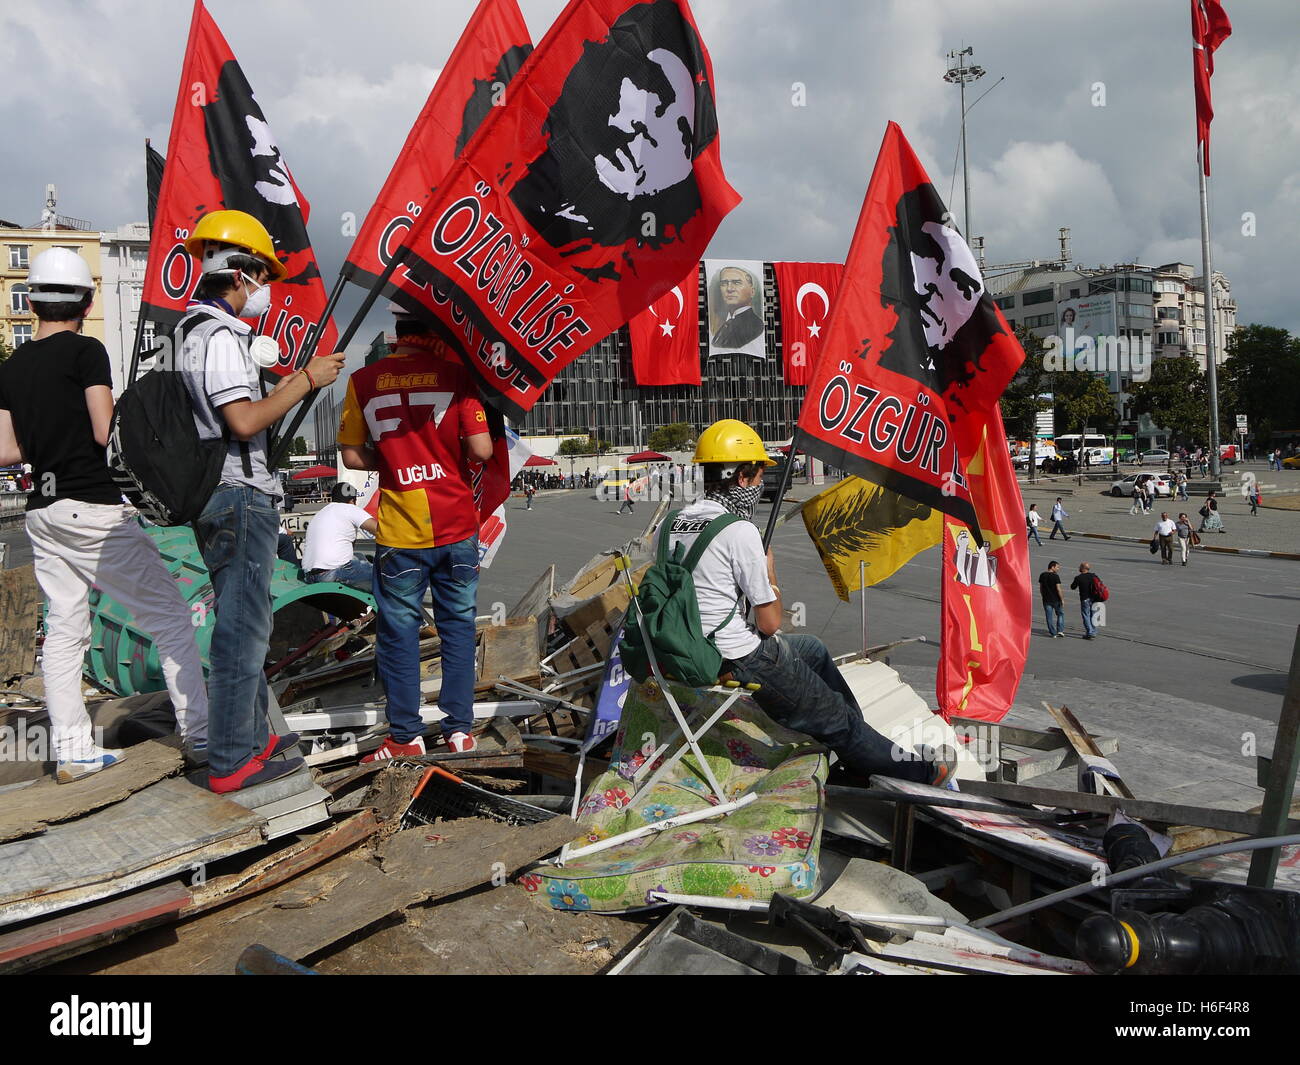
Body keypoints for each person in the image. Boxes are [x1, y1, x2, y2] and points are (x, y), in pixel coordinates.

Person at [0, 249, 209, 783]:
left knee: (67, 629)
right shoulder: (86, 351)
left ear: (32, 302)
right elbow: (104, 431)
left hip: (43, 511)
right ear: (87, 301)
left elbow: (6, 449)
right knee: (170, 617)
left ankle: (74, 752)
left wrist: (47, 437)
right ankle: (203, 737)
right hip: (92, 506)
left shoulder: (12, 366)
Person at [666, 419, 957, 785]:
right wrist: (769, 573)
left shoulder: (674, 522)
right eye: (757, 477)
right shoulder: (739, 531)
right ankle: (921, 772)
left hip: (691, 648)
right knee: (834, 716)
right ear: (741, 476)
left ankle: (857, 748)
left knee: (813, 649)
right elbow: (769, 624)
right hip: (738, 657)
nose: (759, 485)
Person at [178, 210, 344, 792]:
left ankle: (252, 737)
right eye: (263, 275)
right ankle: (231, 762)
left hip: (219, 495)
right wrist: (307, 380)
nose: (266, 290)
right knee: (243, 631)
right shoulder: (219, 336)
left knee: (247, 619)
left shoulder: (191, 331)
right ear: (240, 273)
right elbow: (243, 420)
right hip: (238, 495)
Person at [339, 307, 494, 760]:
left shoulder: (363, 380)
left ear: (394, 336)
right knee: (459, 630)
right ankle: (460, 729)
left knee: (400, 634)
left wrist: (392, 463)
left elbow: (351, 457)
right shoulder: (456, 375)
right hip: (457, 526)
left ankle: (405, 737)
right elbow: (481, 450)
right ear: (436, 335)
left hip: (400, 531)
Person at [301, 483, 377, 591]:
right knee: (385, 575)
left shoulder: (321, 513)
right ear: (352, 500)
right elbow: (381, 531)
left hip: (310, 576)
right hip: (333, 573)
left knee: (359, 556)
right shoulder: (350, 508)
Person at [710, 265, 764, 350]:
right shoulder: (726, 323)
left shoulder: (756, 325)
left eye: (737, 283)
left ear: (752, 292)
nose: (729, 289)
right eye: (724, 283)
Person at [1070, 562, 1102, 640]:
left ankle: (1090, 633)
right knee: (1093, 615)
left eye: (1080, 567)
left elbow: (1073, 587)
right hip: (1094, 598)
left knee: (1086, 615)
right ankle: (1094, 631)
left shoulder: (1079, 578)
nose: (1079, 568)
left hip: (1085, 599)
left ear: (1083, 568)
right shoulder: (1094, 576)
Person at [1039, 560, 1065, 638]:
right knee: (1060, 614)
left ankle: (1053, 633)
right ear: (1052, 567)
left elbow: (1041, 588)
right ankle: (1060, 630)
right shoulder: (1055, 576)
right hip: (1056, 600)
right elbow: (1058, 589)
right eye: (1057, 567)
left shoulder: (1042, 575)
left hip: (1046, 600)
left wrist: (1043, 596)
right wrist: (1062, 599)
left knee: (1049, 617)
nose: (1058, 569)